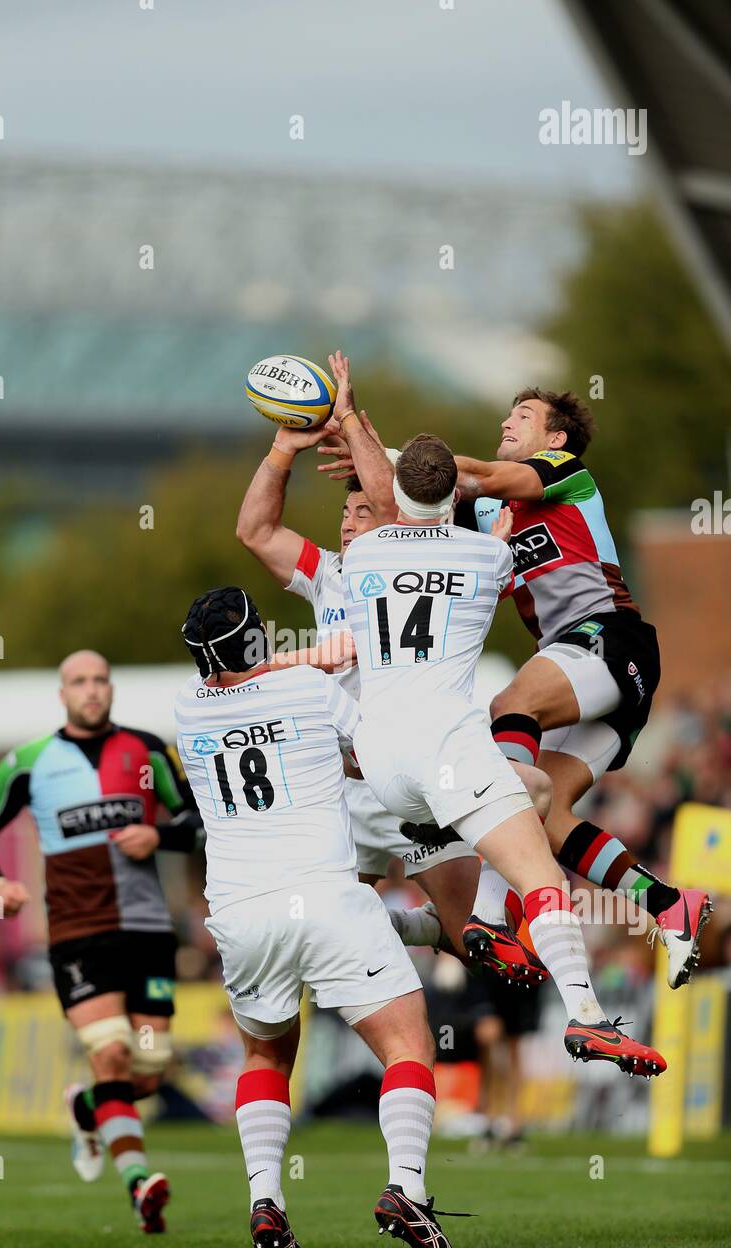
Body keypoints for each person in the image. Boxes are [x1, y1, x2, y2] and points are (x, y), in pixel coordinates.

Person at [317, 366, 711, 991]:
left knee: (510, 705)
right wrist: (359, 434)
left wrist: (394, 449)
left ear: (554, 440)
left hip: (610, 640)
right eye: (509, 412)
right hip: (588, 677)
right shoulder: (486, 509)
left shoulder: (564, 476)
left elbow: (468, 473)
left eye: (523, 416)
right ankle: (668, 905)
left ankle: (490, 909)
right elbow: (415, 499)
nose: (507, 420)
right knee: (541, 814)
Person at [339, 432, 665, 1078]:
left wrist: (352, 427)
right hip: (446, 749)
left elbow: (397, 497)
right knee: (541, 875)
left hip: (379, 763)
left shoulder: (362, 554)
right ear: (453, 496)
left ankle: (446, 924)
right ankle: (588, 1016)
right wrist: (503, 527)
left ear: (393, 500)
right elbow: (452, 506)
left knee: (536, 790)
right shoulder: (486, 556)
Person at [175, 585, 462, 1248]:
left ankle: (266, 1204)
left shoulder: (187, 710)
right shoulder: (308, 688)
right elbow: (376, 764)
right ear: (255, 640)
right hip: (325, 896)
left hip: (240, 913)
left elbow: (243, 689)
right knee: (407, 1046)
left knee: (267, 1056)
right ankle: (407, 1190)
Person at [235, 405, 528, 974]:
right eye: (345, 511)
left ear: (396, 515)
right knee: (313, 937)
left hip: (417, 774)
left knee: (479, 945)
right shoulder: (329, 571)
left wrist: (270, 670)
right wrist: (281, 451)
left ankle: (419, 926)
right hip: (344, 781)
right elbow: (255, 531)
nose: (348, 521)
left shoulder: (440, 563)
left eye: (364, 509)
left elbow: (347, 648)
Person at [0, 649, 201, 1235]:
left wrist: (159, 835)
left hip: (147, 934)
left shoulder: (147, 751)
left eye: (100, 680)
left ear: (111, 689)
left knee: (145, 1069)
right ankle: (139, 1180)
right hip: (78, 936)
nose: (91, 690)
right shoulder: (28, 762)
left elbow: (199, 820)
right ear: (62, 694)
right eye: (79, 682)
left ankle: (85, 1108)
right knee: (112, 1052)